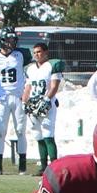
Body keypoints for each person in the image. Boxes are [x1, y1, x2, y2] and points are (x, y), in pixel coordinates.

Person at [0, 27, 31, 176]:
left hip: (18, 96)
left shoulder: (20, 55)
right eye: (9, 40)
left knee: (21, 131)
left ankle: (22, 167)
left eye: (13, 39)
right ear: (2, 41)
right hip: (2, 99)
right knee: (0, 132)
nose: (12, 42)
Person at [24, 42, 64, 175]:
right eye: (35, 52)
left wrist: (46, 100)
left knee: (48, 134)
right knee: (38, 135)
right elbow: (28, 87)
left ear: (46, 52)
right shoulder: (30, 69)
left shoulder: (51, 66)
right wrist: (25, 101)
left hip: (48, 103)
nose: (36, 54)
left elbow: (54, 85)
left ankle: (54, 166)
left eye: (39, 52)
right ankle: (43, 167)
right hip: (34, 104)